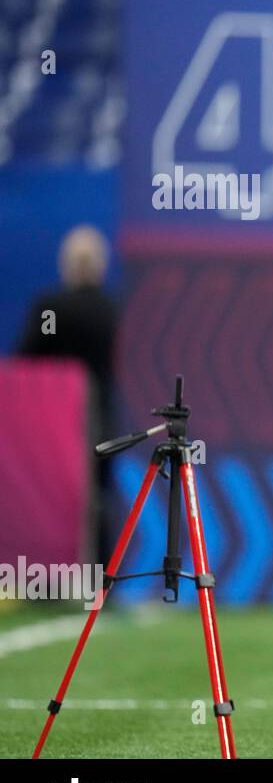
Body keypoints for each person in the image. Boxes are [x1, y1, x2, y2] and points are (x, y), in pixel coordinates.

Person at [16, 225, 118, 568]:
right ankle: (100, 579)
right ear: (101, 266)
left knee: (56, 500)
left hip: (55, 425)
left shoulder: (52, 310)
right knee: (98, 500)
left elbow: (29, 356)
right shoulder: (113, 312)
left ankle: (48, 575)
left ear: (68, 265)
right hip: (103, 420)